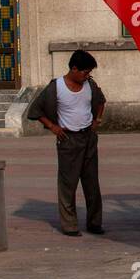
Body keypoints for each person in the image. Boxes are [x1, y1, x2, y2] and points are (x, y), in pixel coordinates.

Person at [28, 49, 105, 237]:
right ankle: (70, 225)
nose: (87, 76)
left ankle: (94, 223)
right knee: (67, 184)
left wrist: (97, 120)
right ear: (74, 68)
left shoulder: (90, 84)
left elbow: (101, 101)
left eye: (89, 73)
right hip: (68, 140)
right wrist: (52, 127)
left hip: (88, 139)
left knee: (92, 184)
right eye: (85, 72)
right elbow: (35, 110)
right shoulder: (56, 87)